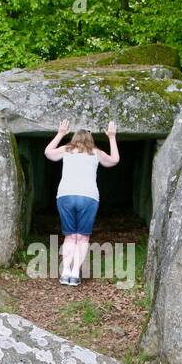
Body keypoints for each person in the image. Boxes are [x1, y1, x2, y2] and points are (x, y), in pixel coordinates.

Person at [44, 119, 120, 285]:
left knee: (70, 237)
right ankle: (75, 273)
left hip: (65, 196)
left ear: (74, 138)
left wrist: (60, 133)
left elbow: (48, 153)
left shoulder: (66, 149)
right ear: (90, 139)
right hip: (88, 197)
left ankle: (65, 273)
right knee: (82, 238)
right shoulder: (96, 152)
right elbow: (114, 160)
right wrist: (112, 137)